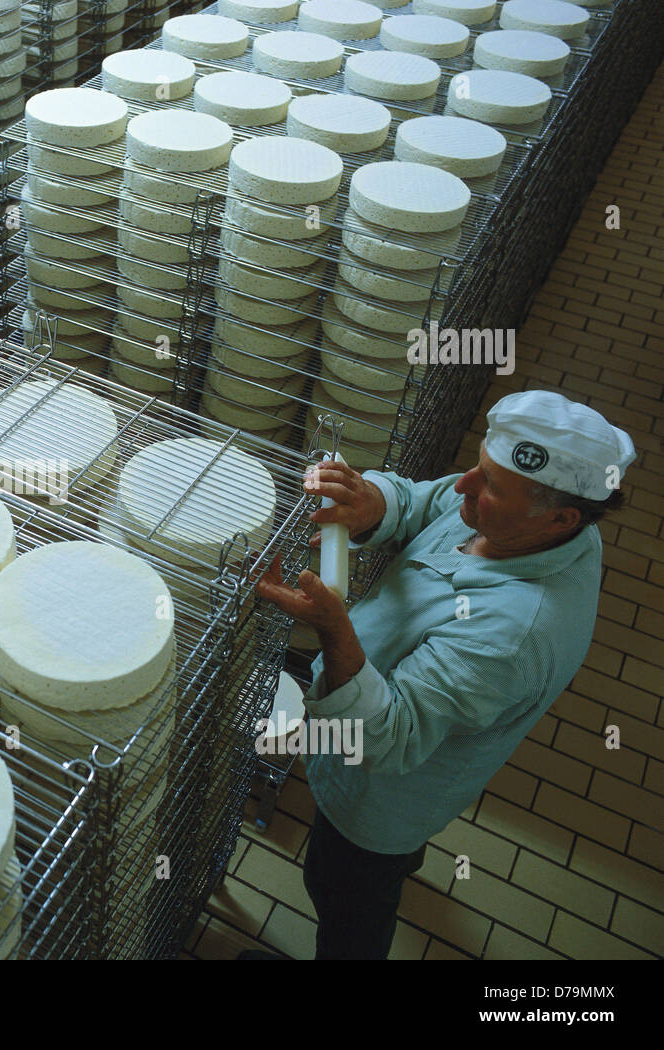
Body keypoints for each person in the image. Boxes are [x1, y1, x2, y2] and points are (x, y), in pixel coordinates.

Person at [253, 389, 636, 960]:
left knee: (344, 894)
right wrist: (373, 503)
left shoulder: (514, 631)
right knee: (372, 878)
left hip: (382, 794)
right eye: (477, 469)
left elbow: (392, 735)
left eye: (488, 486)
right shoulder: (536, 524)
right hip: (381, 738)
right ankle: (400, 860)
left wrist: (333, 631)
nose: (464, 485)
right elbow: (426, 501)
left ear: (560, 516)